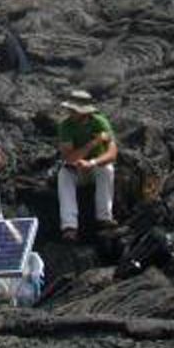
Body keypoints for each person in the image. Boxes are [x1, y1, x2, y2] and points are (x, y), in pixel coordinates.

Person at [57, 90, 118, 241]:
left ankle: (104, 218)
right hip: (77, 169)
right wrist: (93, 143)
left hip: (96, 166)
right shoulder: (66, 126)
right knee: (64, 175)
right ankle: (69, 225)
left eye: (73, 110)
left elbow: (112, 153)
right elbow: (69, 158)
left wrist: (92, 163)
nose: (70, 112)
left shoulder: (100, 122)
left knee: (107, 169)